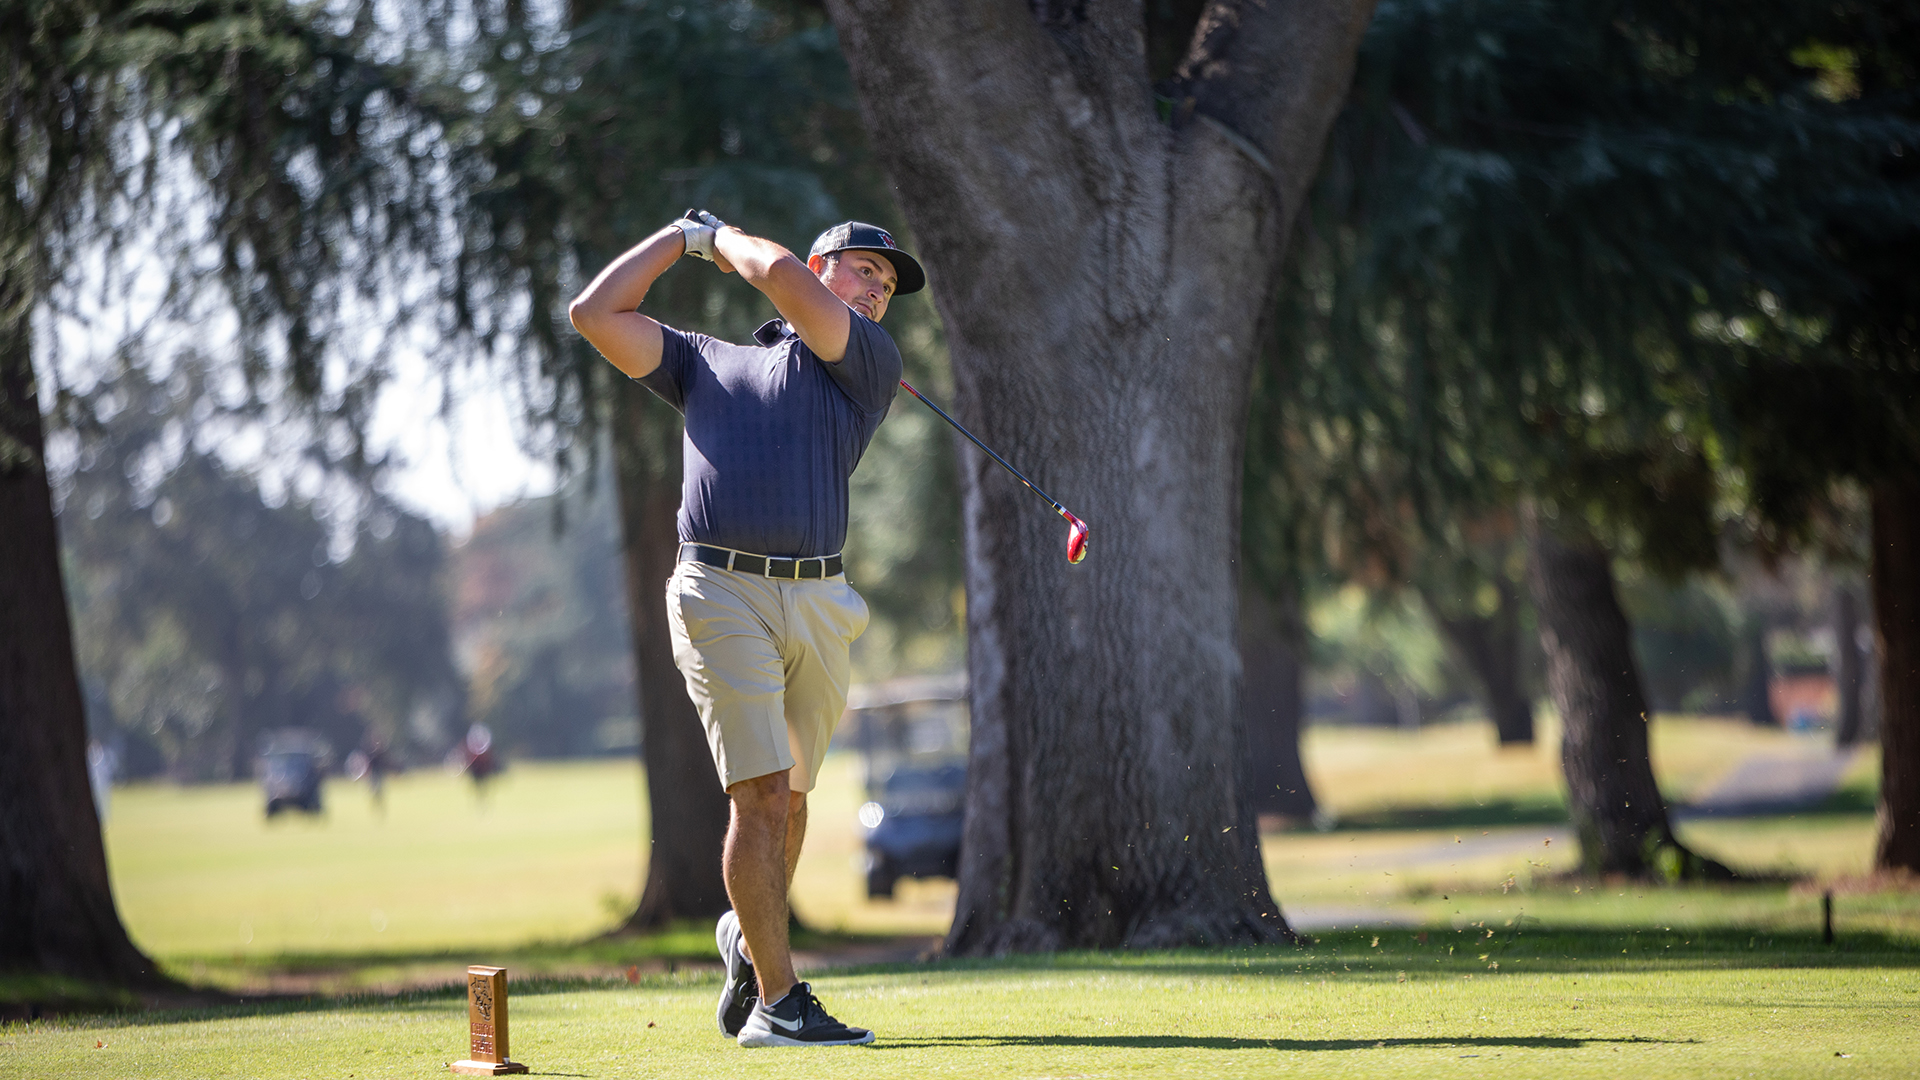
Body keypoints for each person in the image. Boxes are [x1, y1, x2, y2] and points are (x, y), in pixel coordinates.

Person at [569, 210, 924, 1048]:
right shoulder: (703, 360)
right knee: (761, 796)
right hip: (720, 592)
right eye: (864, 271)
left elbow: (778, 278)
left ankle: (745, 936)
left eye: (886, 285)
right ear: (824, 265)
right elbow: (595, 313)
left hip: (820, 600)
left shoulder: (868, 361)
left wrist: (717, 238)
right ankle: (780, 1004)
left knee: (791, 803)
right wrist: (677, 238)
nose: (877, 291)